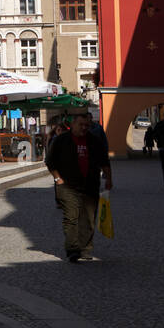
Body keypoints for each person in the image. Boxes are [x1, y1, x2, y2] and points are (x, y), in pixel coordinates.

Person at [45, 113, 113, 263]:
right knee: (71, 217)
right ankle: (72, 249)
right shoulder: (61, 140)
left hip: (90, 184)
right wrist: (57, 178)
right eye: (81, 125)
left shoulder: (94, 141)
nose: (84, 128)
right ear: (73, 124)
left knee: (88, 219)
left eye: (86, 125)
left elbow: (104, 161)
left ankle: (85, 248)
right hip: (67, 185)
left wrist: (109, 179)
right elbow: (50, 161)